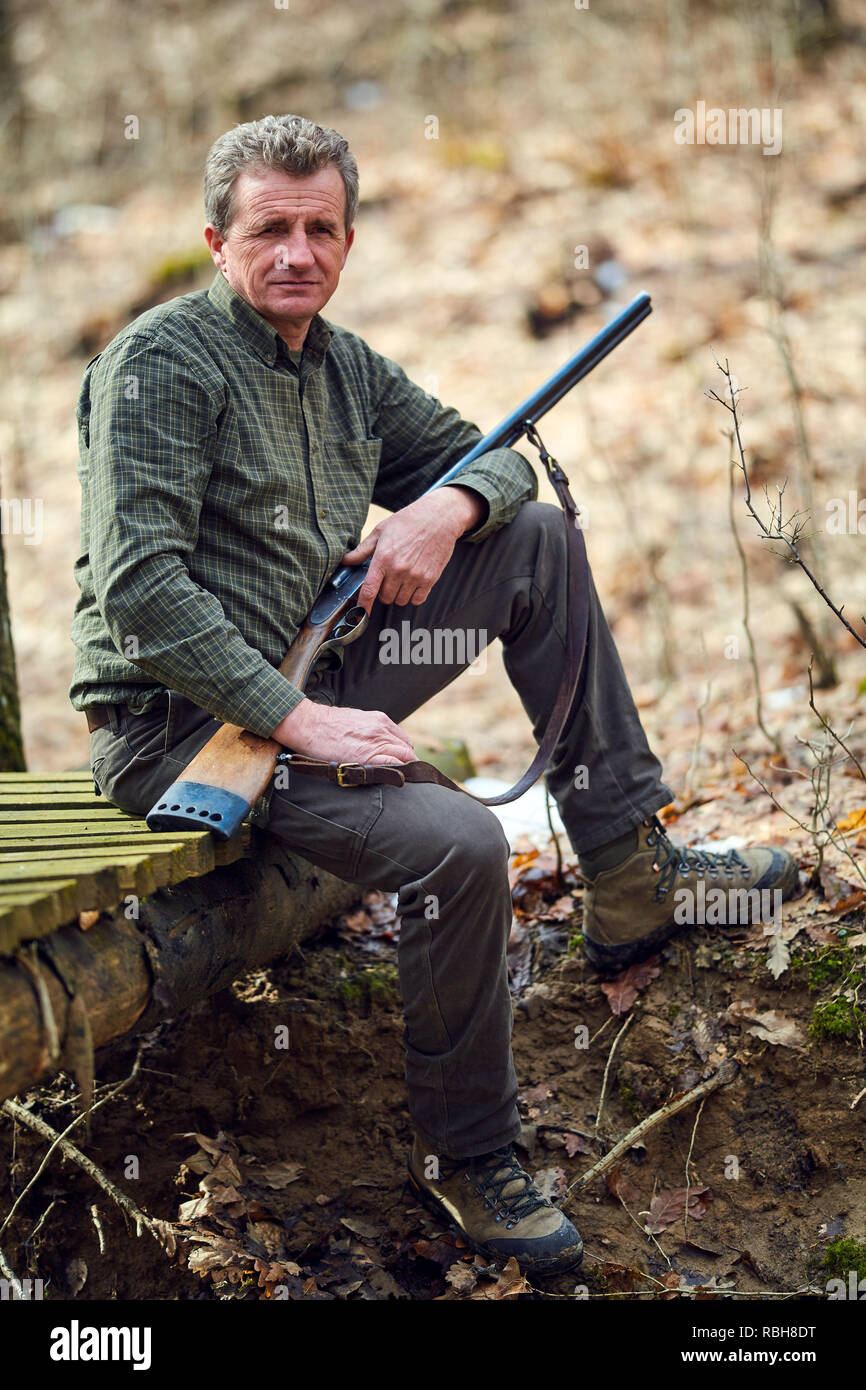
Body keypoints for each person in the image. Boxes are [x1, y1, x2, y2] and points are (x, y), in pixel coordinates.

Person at [70, 114, 798, 1277]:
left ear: (348, 242)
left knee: (538, 541)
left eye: (319, 228)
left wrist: (444, 508)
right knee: (460, 842)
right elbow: (141, 592)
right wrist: (297, 720)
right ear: (216, 240)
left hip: (315, 672)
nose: (295, 252)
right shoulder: (160, 365)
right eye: (268, 229)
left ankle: (625, 876)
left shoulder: (345, 368)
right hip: (181, 729)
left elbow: (492, 457)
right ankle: (471, 1157)